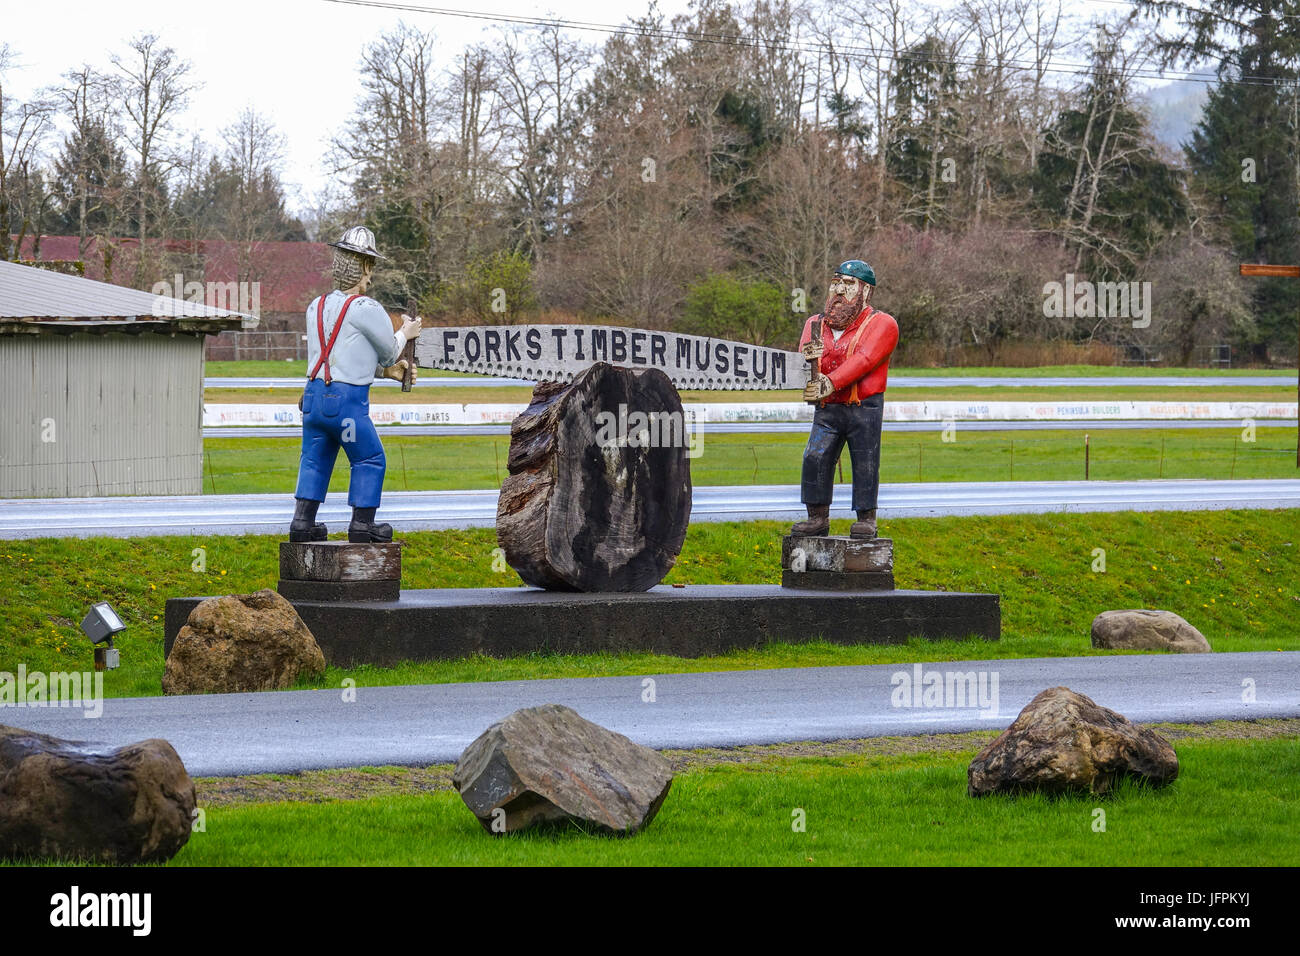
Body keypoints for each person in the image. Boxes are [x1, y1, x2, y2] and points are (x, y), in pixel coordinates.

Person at [288, 226, 422, 543]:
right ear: (362, 266)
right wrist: (407, 331)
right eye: (370, 267)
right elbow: (390, 351)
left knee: (314, 459)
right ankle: (362, 524)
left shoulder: (315, 306)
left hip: (313, 399)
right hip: (347, 404)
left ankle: (302, 523)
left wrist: (384, 374)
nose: (371, 277)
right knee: (369, 458)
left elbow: (337, 357)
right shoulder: (366, 308)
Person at [794, 259, 899, 539]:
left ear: (865, 292)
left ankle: (866, 518)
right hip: (827, 408)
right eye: (836, 283)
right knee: (814, 457)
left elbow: (865, 359)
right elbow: (804, 355)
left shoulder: (883, 324)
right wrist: (807, 356)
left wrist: (831, 382)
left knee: (864, 460)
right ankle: (817, 517)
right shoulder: (815, 323)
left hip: (863, 407)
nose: (839, 291)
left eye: (848, 285)